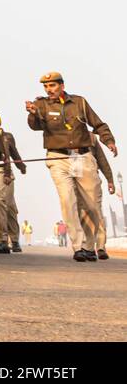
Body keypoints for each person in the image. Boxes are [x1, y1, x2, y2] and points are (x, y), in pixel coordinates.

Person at [27, 71, 116, 262]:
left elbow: (98, 124)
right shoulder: (41, 104)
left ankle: (90, 246)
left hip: (83, 157)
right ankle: (78, 246)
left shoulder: (79, 103)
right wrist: (33, 114)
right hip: (58, 159)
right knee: (67, 201)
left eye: (52, 85)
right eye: (46, 86)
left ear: (62, 85)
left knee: (91, 205)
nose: (48, 89)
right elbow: (36, 126)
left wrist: (108, 141)